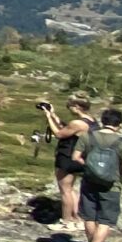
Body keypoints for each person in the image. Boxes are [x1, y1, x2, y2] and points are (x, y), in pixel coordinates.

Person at [71, 106, 122, 242]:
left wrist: (89, 166)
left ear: (103, 121)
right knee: (106, 219)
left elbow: (76, 157)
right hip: (111, 185)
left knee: (89, 216)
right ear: (119, 124)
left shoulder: (87, 137)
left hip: (89, 181)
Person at [40, 94, 96, 232]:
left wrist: (48, 118)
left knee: (65, 191)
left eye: (69, 106)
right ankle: (77, 219)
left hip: (67, 157)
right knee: (71, 189)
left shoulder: (77, 123)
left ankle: (66, 221)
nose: (69, 109)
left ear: (76, 107)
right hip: (81, 158)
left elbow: (60, 134)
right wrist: (53, 114)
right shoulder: (91, 121)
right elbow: (66, 128)